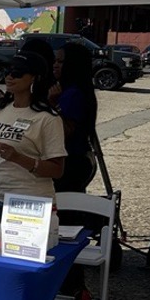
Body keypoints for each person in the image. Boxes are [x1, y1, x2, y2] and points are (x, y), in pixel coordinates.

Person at [0, 52, 66, 222]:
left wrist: (18, 158)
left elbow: (57, 170)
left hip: (31, 201)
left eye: (18, 72)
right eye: (7, 71)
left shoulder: (48, 118)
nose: (9, 76)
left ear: (34, 78)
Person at [52, 42, 98, 194]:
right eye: (55, 61)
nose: (55, 65)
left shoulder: (73, 94)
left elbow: (65, 131)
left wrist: (52, 104)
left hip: (71, 160)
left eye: (60, 62)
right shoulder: (72, 89)